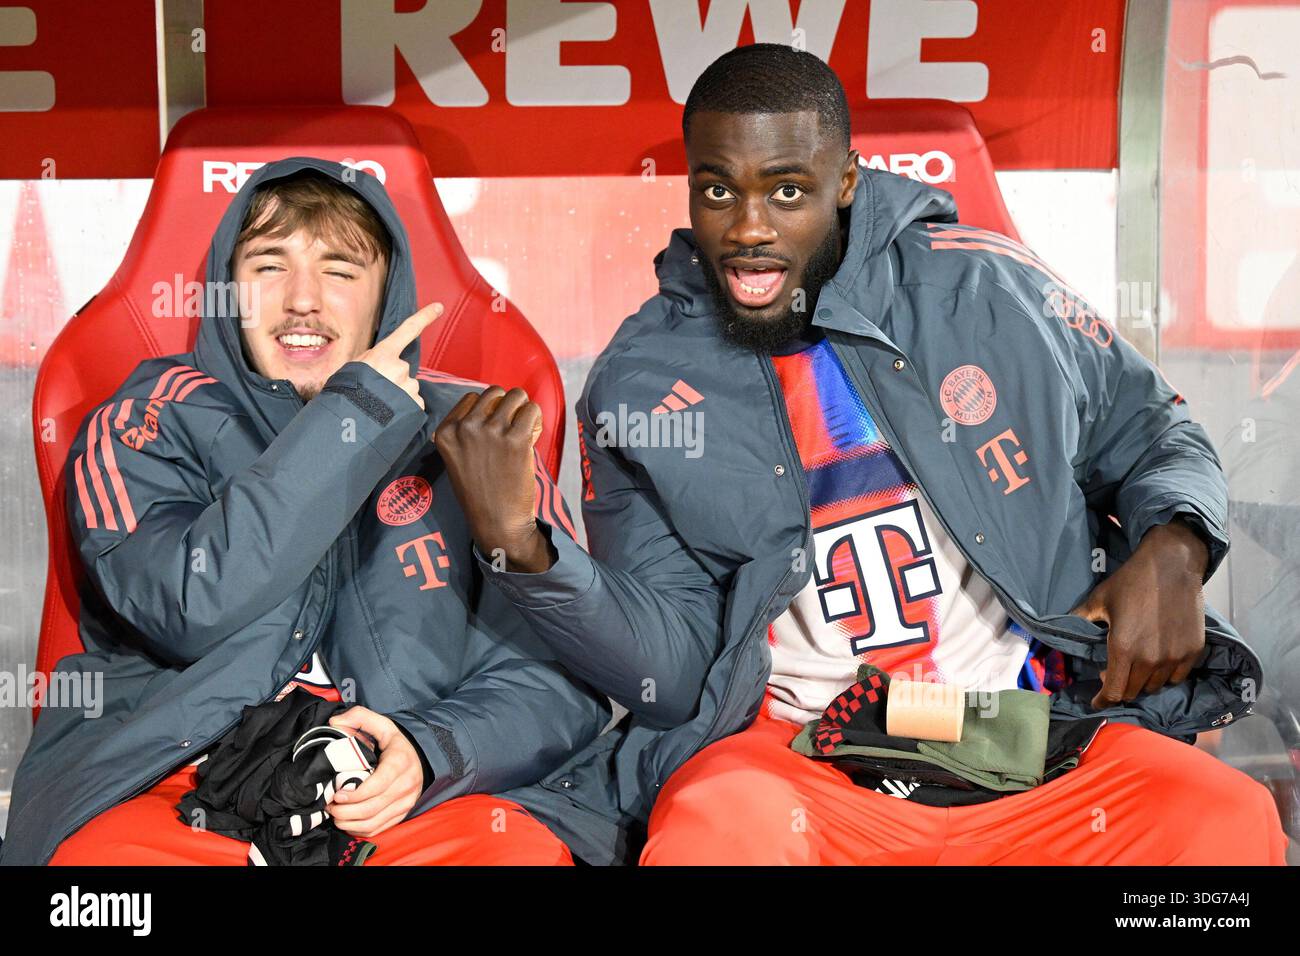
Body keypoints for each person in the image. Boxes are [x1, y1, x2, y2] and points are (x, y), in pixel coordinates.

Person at [436, 44, 1288, 864]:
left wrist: (1177, 546)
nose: (749, 230)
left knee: (1221, 819)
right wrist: (527, 550)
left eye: (788, 190)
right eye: (717, 190)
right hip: (801, 758)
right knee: (713, 834)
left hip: (1037, 738)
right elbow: (674, 667)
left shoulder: (989, 289)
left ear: (845, 181)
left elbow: (1152, 431)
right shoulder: (640, 379)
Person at [0, 158, 620, 866]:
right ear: (230, 288)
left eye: (340, 270)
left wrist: (435, 749)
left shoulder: (473, 432)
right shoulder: (146, 418)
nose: (303, 300)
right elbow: (186, 604)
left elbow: (564, 676)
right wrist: (350, 418)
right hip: (173, 793)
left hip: (413, 799)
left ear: (387, 293)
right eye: (269, 266)